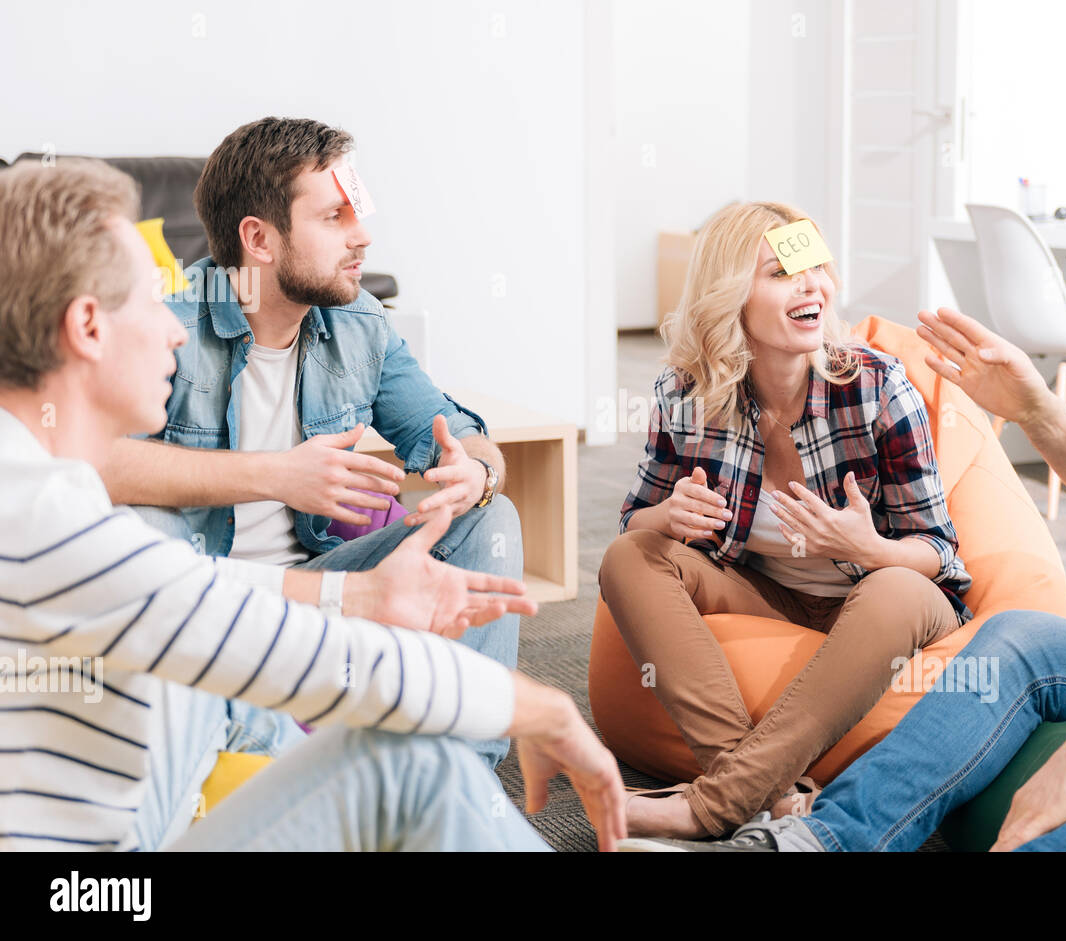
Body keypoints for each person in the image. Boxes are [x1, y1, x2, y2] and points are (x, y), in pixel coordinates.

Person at [628, 199, 1066, 852]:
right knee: (1016, 635)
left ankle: (729, 809)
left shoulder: (873, 386)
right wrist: (1036, 406)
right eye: (782, 272)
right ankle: (812, 836)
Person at [0, 158, 626, 852]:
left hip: (161, 754)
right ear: (87, 326)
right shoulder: (41, 517)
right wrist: (537, 706)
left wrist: (460, 484)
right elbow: (243, 623)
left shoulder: (31, 483)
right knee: (409, 763)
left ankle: (461, 799)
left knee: (390, 735)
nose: (170, 328)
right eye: (148, 300)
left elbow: (202, 599)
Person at [98, 117, 520, 770]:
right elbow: (98, 466)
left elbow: (459, 434)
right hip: (208, 603)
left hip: (328, 595)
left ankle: (468, 781)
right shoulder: (167, 322)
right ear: (259, 239)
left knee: (491, 514)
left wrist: (474, 472)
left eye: (358, 213)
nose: (363, 236)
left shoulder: (357, 323)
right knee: (148, 529)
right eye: (334, 217)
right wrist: (276, 475)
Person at [599, 201, 973, 840]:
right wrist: (665, 515)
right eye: (782, 273)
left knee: (896, 586)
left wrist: (870, 547)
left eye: (818, 269)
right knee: (628, 558)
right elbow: (635, 521)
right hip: (769, 596)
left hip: (886, 602)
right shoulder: (687, 395)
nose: (813, 287)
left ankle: (714, 805)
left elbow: (940, 553)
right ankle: (769, 796)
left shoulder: (878, 388)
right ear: (729, 298)